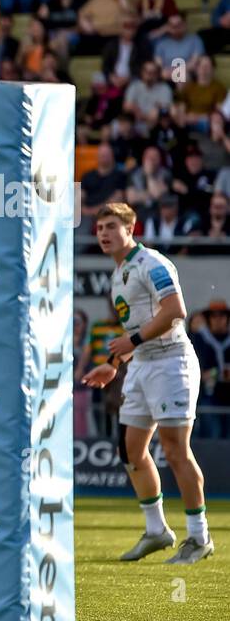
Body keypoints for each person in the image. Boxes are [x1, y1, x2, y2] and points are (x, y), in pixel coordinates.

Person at [82, 203, 212, 564]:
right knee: (131, 452)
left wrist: (132, 343)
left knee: (174, 449)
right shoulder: (118, 274)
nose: (103, 234)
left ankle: (199, 538)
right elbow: (131, 334)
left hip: (171, 361)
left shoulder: (151, 263)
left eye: (110, 226)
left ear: (130, 228)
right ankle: (157, 531)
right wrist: (113, 363)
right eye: (98, 228)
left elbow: (175, 312)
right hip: (140, 364)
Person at [192, 299, 230, 440]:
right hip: (209, 395)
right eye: (214, 316)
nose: (218, 319)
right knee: (212, 436)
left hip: (228, 395)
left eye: (222, 315)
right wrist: (204, 374)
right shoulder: (200, 339)